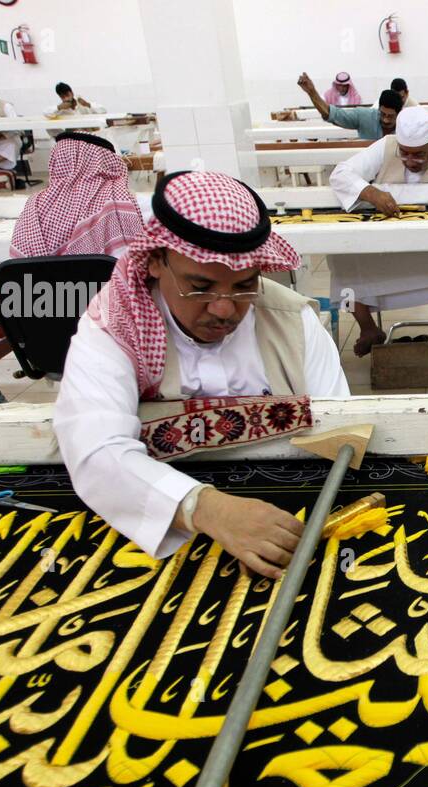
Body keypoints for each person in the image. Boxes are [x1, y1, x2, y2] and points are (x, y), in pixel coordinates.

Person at [55, 171, 349, 572]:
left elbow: (339, 426)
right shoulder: (114, 326)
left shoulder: (292, 321)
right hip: (157, 527)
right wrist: (208, 509)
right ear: (156, 261)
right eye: (200, 286)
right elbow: (97, 451)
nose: (224, 308)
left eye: (244, 286)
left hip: (287, 520)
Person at [328, 106, 428, 355]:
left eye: (419, 155)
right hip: (380, 243)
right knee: (340, 261)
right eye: (405, 154)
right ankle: (368, 328)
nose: (411, 162)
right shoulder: (385, 146)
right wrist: (371, 192)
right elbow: (340, 174)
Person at [9, 131, 145, 258]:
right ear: (104, 161)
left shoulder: (34, 204)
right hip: (102, 282)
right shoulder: (120, 199)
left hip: (39, 282)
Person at [296, 74, 401, 140]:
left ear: (399, 113)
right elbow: (332, 114)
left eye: (391, 116)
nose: (386, 120)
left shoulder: (407, 123)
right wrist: (312, 93)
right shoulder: (365, 117)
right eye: (383, 114)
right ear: (378, 109)